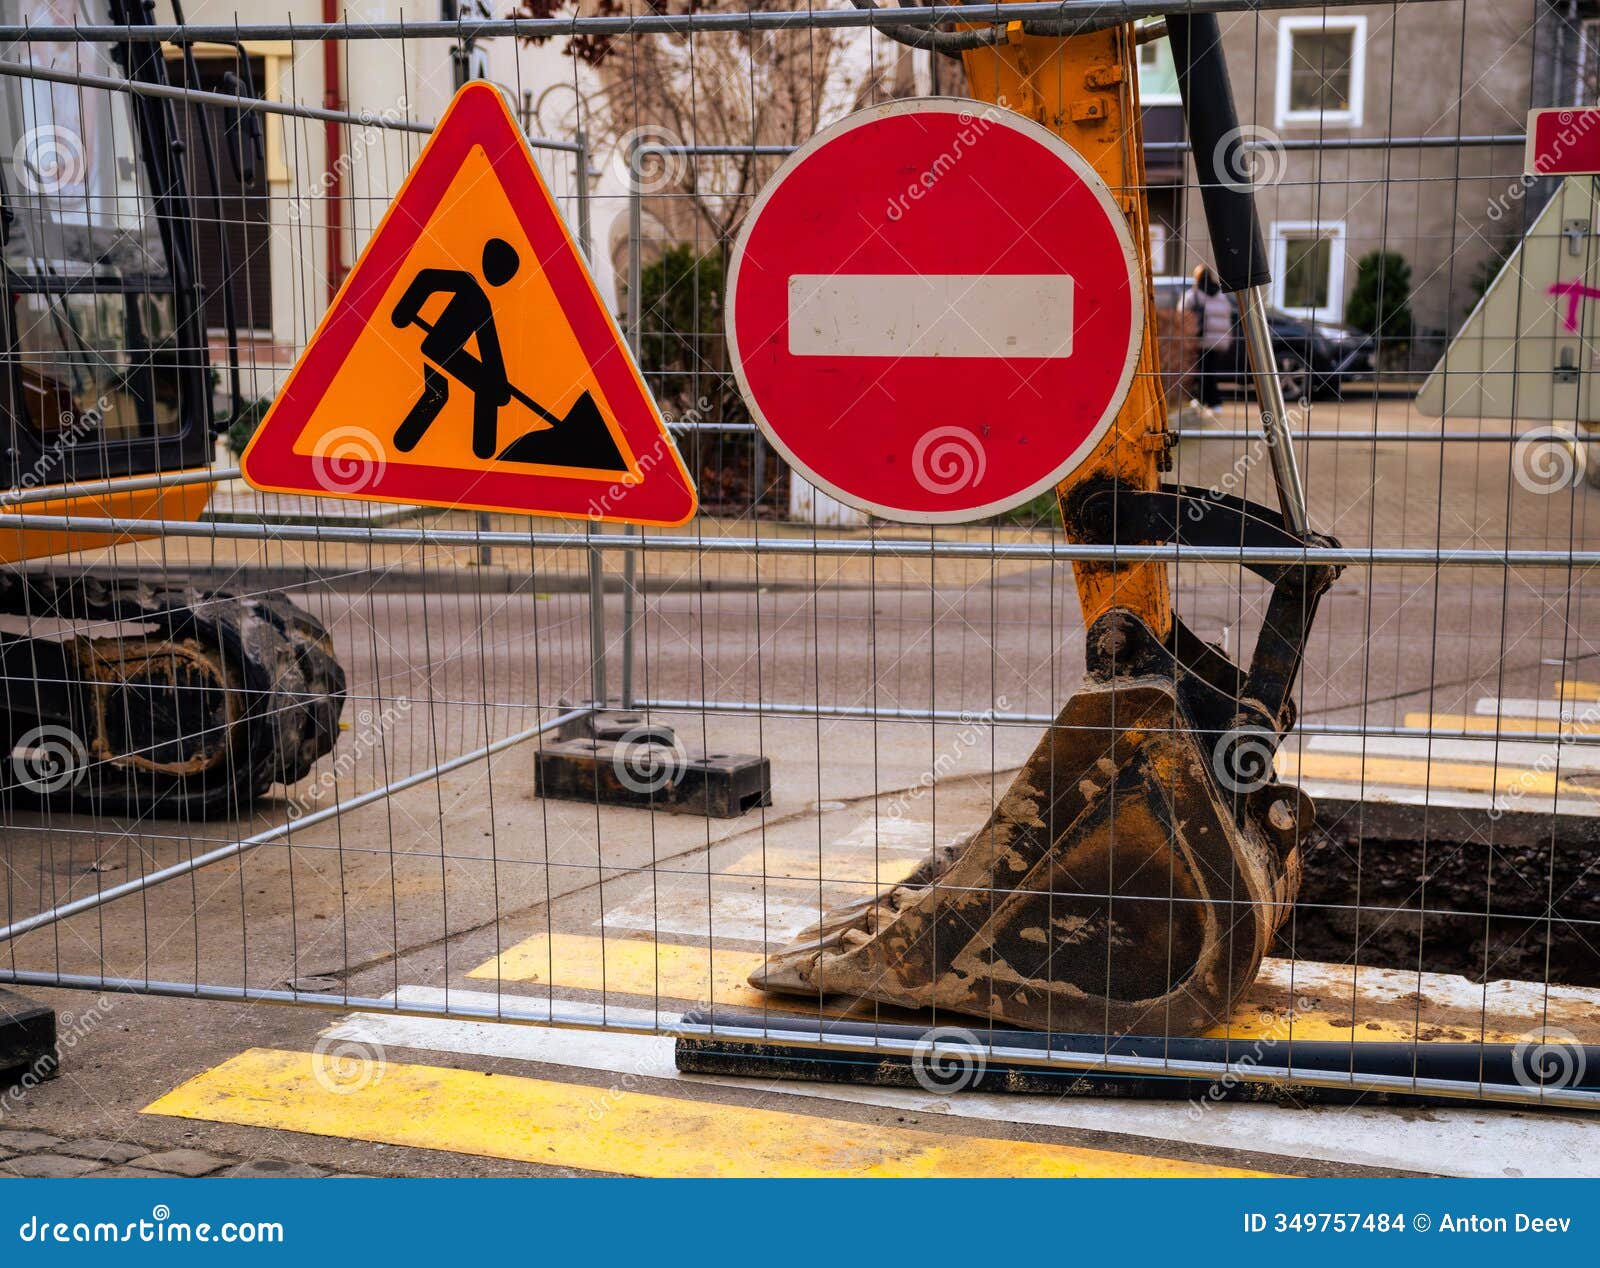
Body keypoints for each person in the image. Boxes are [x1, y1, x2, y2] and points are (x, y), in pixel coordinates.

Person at [390, 237, 521, 460]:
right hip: (438, 350)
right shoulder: (470, 286)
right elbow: (426, 279)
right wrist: (403, 312)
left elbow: (489, 344)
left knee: (457, 392)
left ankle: (483, 451)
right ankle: (482, 450)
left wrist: (499, 381)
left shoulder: (481, 301)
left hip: (445, 354)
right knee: (448, 393)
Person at [1183, 265, 1234, 414]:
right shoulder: (1221, 294)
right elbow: (1228, 314)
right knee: (1208, 370)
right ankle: (1203, 400)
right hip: (1219, 340)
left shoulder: (1194, 294)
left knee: (1202, 371)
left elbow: (1183, 315)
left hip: (1201, 339)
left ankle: (1213, 402)